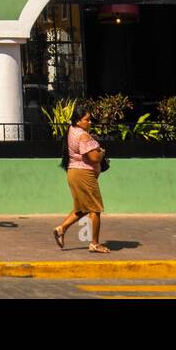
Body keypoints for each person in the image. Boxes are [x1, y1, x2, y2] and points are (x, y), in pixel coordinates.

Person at [53, 107, 108, 253]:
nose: (90, 122)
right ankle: (94, 243)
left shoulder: (71, 130)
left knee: (82, 208)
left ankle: (61, 229)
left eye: (90, 120)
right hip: (84, 174)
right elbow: (93, 157)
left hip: (74, 172)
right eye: (86, 120)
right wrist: (102, 153)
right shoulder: (83, 135)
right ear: (78, 120)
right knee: (95, 209)